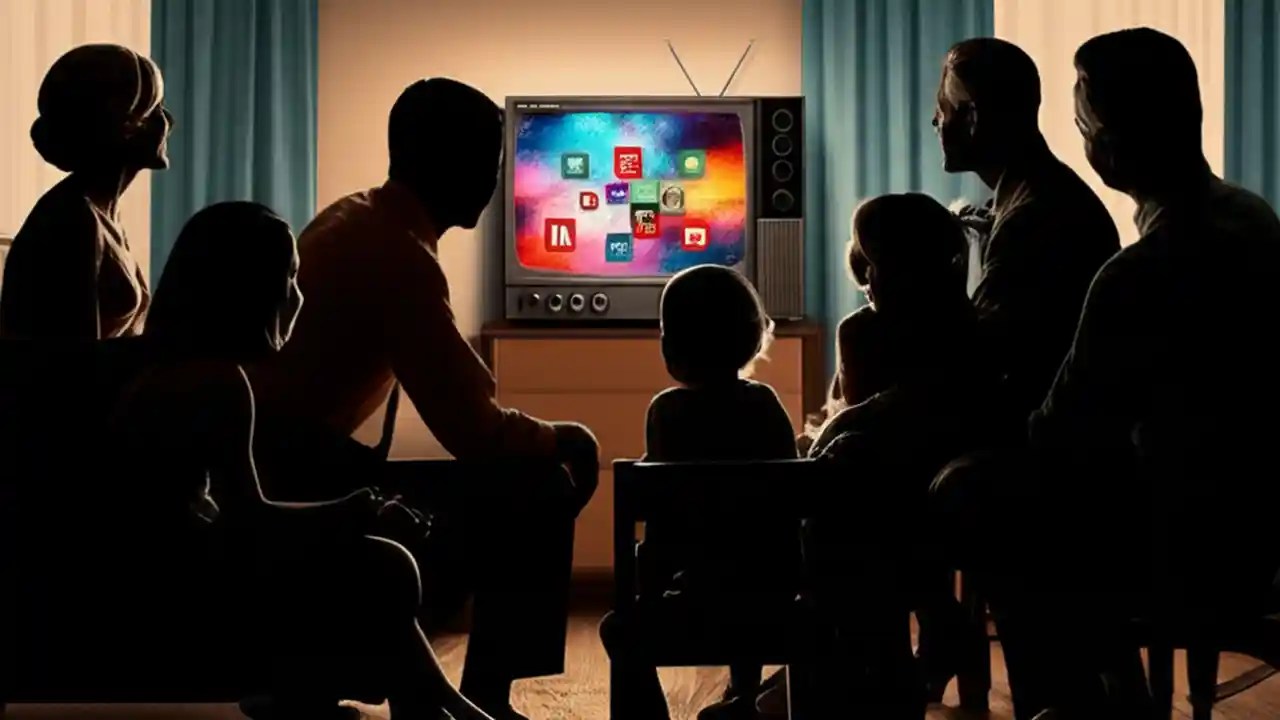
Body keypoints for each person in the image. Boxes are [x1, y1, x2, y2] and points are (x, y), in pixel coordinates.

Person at [938, 29, 1280, 718]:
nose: (1083, 146)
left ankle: (1070, 699)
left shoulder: (1139, 273)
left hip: (1173, 534)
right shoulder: (1252, 217)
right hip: (1255, 520)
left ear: (1117, 141)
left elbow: (1059, 430)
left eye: (1085, 127)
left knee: (968, 488)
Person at [247, 78, 599, 720]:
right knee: (538, 483)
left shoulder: (357, 215)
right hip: (297, 484)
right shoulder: (397, 255)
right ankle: (486, 695)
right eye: (488, 164)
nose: (495, 186)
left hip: (291, 470)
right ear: (450, 164)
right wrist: (568, 439)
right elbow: (475, 431)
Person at [99, 202, 494, 720]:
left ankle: (434, 699)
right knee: (386, 564)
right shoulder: (220, 386)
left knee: (377, 560)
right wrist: (357, 513)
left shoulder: (166, 373)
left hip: (169, 565)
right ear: (245, 291)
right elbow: (248, 521)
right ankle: (428, 701)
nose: (301, 298)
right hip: (181, 584)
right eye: (289, 279)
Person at [795, 195, 991, 719]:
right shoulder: (967, 325)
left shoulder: (861, 331)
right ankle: (938, 623)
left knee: (843, 505)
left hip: (879, 492)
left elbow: (856, 416)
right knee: (898, 516)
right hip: (948, 482)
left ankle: (854, 664)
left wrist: (815, 444)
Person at [599, 264, 800, 720]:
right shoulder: (766, 405)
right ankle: (745, 697)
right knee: (749, 564)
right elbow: (787, 510)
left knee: (620, 632)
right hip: (775, 606)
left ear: (670, 347)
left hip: (696, 607)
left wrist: (646, 597)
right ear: (753, 340)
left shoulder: (667, 412)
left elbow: (664, 529)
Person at [933, 38, 1120, 440]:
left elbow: (977, 358)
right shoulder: (1032, 196)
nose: (935, 123)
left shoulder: (1033, 218)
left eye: (942, 109)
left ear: (973, 118)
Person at [1, 44, 171, 340]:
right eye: (154, 109)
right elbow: (77, 363)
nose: (168, 121)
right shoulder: (72, 220)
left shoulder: (101, 213)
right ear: (123, 124)